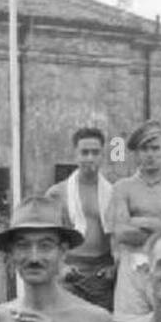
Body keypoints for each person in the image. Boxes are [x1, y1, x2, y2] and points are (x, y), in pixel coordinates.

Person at [107, 121, 161, 321]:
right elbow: (121, 233)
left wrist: (140, 221)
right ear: (136, 154)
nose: (150, 154)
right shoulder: (123, 187)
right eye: (144, 149)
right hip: (132, 267)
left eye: (155, 148)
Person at [48, 127, 116, 311]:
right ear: (75, 155)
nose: (90, 158)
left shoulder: (113, 193)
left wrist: (114, 267)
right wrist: (61, 267)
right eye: (84, 152)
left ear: (102, 155)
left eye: (95, 152)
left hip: (102, 272)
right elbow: (49, 237)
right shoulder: (57, 193)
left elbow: (119, 235)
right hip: (70, 271)